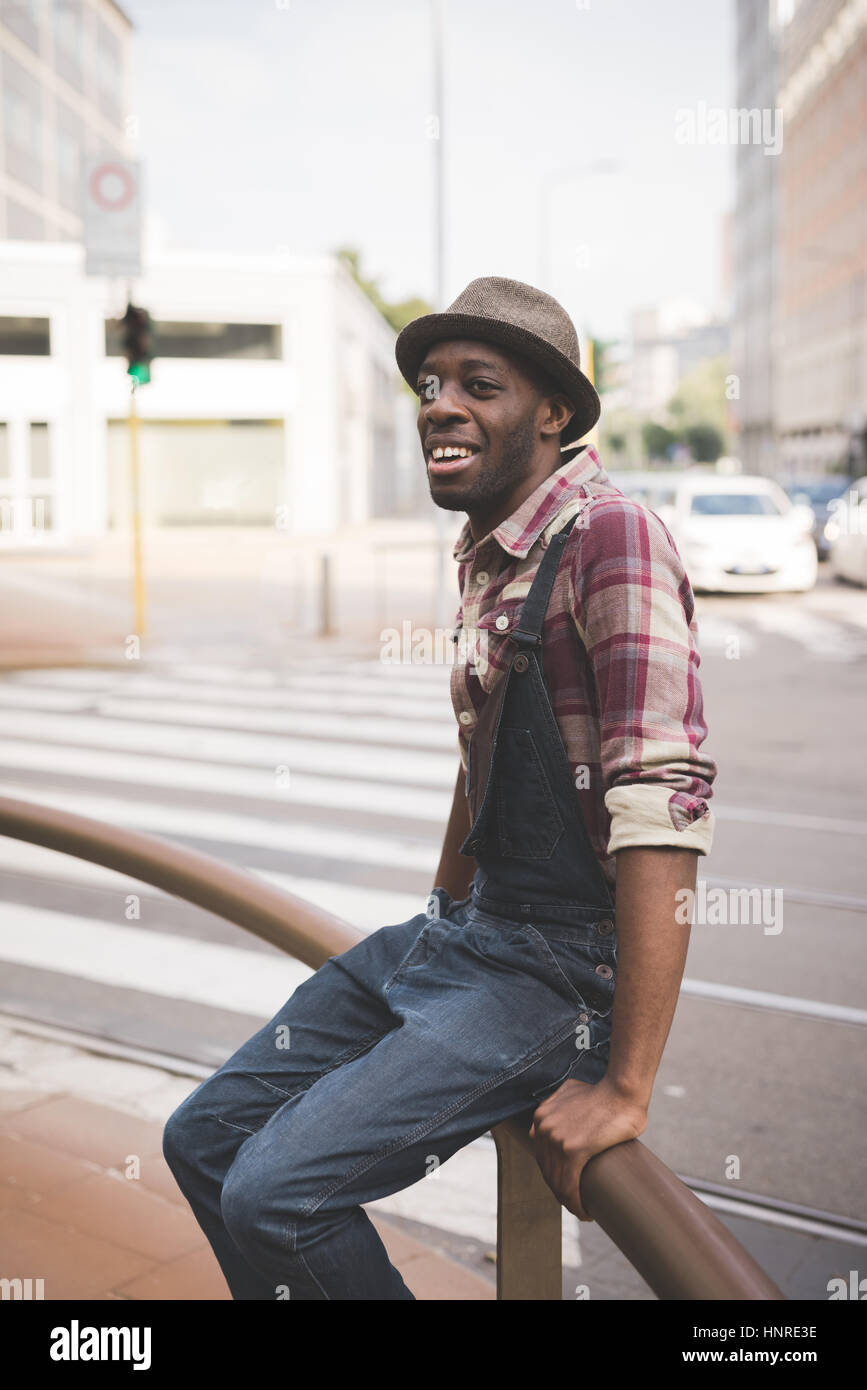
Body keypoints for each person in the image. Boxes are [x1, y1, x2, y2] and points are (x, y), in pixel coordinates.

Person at [162, 276, 717, 1300]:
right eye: (431, 383)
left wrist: (626, 1083)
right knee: (203, 1137)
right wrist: (437, 921)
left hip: (555, 973)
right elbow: (489, 762)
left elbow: (662, 806)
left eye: (480, 384)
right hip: (468, 937)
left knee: (275, 1195)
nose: (440, 404)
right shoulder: (489, 550)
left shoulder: (610, 537)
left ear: (553, 413)